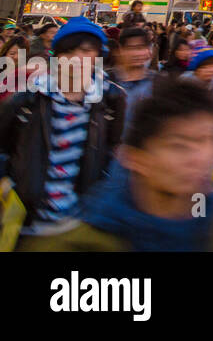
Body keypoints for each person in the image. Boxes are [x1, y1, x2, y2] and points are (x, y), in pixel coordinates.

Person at [21, 79, 213, 251]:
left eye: (209, 140)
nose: (201, 158)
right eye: (179, 145)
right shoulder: (79, 242)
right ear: (135, 158)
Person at [0, 18, 126, 240]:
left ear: (98, 55)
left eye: (87, 51)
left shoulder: (112, 100)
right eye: (69, 51)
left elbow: (112, 153)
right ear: (57, 56)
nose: (77, 59)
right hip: (27, 225)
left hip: (80, 227)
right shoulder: (27, 100)